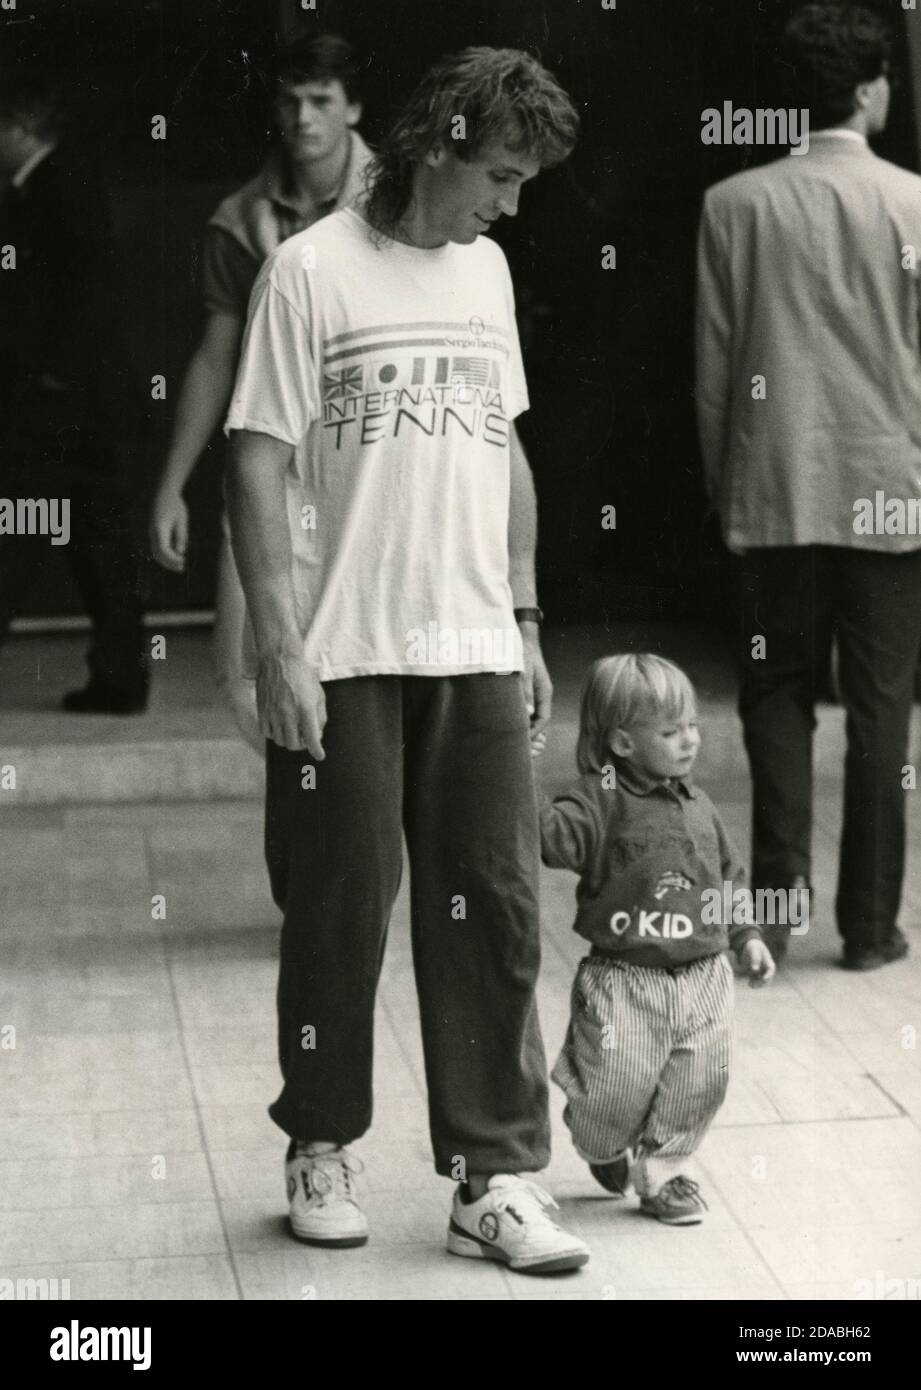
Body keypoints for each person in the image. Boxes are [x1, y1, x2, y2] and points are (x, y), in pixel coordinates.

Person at [225, 47, 589, 1274]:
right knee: (338, 905)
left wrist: (529, 620)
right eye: (500, 172)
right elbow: (258, 458)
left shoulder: (486, 272)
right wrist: (279, 644)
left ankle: (494, 1175)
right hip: (344, 644)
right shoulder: (308, 269)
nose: (512, 201)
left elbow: (509, 451)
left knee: (494, 904)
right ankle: (320, 1143)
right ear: (439, 141)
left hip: (476, 641)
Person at [695, 2, 921, 971]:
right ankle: (870, 928)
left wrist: (726, 491)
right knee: (883, 712)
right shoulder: (914, 203)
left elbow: (713, 371)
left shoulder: (734, 205)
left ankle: (777, 914)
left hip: (774, 489)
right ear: (871, 91)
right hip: (892, 493)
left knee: (776, 697)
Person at [150, 36, 371, 748]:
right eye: (289, 100)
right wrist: (172, 484)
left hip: (375, 463)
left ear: (353, 106)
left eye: (321, 100)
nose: (303, 118)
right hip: (271, 471)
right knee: (249, 674)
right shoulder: (241, 219)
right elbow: (217, 356)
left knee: (376, 659)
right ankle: (306, 831)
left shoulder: (402, 200)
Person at [539, 654, 775, 1225]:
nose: (690, 741)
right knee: (613, 1094)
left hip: (704, 973)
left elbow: (729, 875)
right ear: (622, 742)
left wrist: (746, 935)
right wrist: (514, 770)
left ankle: (667, 1172)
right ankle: (599, 1142)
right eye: (671, 732)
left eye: (692, 726)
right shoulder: (598, 797)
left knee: (701, 1078)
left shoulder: (698, 804)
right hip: (625, 977)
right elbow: (552, 842)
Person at [0, 74, 148, 713]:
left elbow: (84, 286)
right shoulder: (53, 185)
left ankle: (119, 676)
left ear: (22, 126)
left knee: (27, 530)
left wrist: (50, 374)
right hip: (83, 408)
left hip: (64, 408)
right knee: (92, 541)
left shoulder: (56, 185)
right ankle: (118, 679)